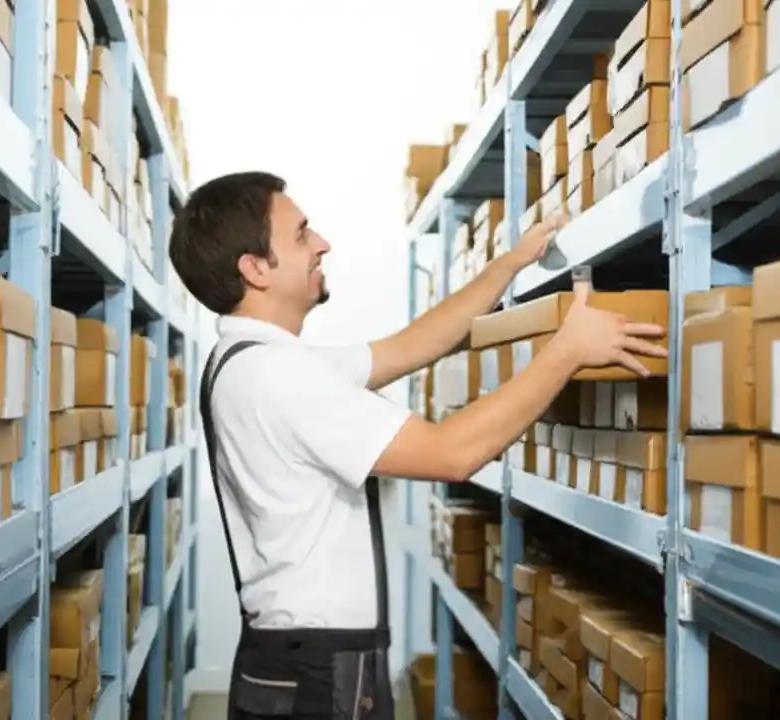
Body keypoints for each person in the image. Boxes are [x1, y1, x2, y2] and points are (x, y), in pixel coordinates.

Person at [168, 171, 666, 719]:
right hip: (316, 673)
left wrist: (510, 263)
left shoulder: (253, 361)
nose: (322, 244)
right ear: (255, 268)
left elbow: (411, 347)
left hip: (297, 657)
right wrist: (567, 351)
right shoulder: (278, 378)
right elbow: (451, 455)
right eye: (302, 233)